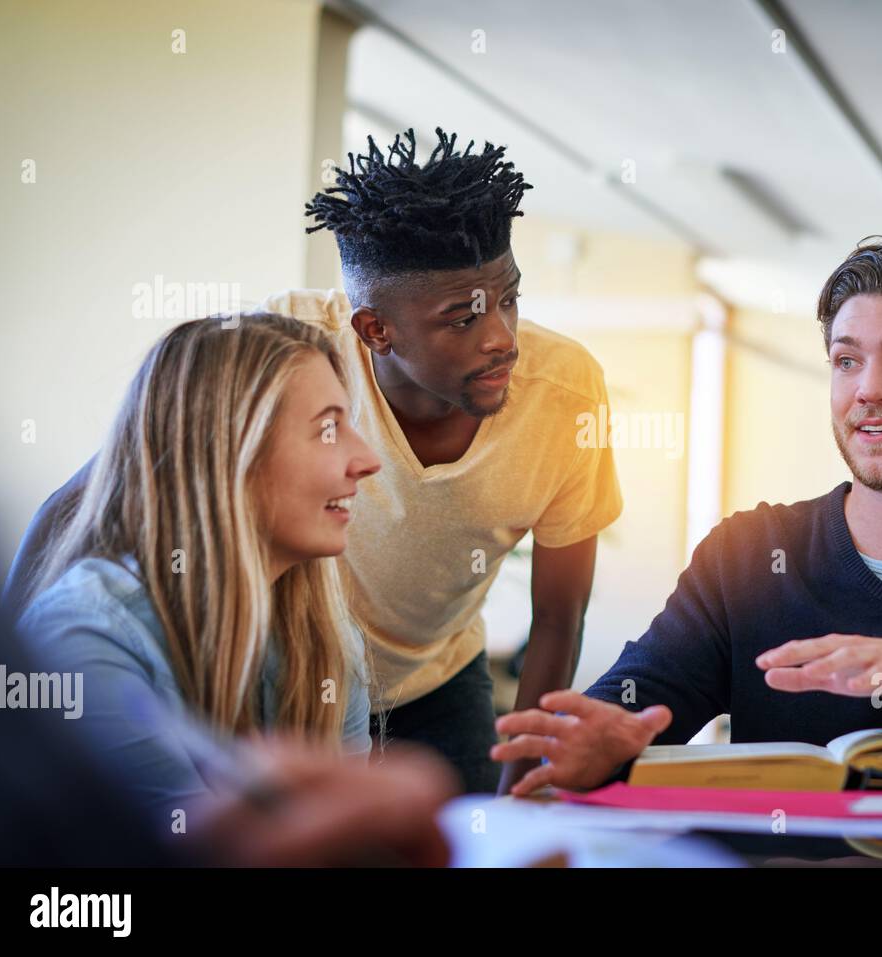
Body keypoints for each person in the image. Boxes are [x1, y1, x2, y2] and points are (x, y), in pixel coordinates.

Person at [493, 238, 882, 796]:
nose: (868, 389)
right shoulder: (748, 555)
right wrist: (599, 739)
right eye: (847, 360)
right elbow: (630, 704)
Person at [261, 127, 623, 793]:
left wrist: (523, 778)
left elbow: (559, 614)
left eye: (508, 299)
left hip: (438, 678)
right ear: (374, 330)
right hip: (288, 670)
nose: (502, 339)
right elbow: (143, 471)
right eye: (462, 320)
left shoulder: (567, 393)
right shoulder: (288, 348)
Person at [13, 313, 384, 833]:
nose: (368, 459)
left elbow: (352, 844)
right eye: (329, 428)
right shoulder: (84, 638)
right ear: (225, 449)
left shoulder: (322, 635)